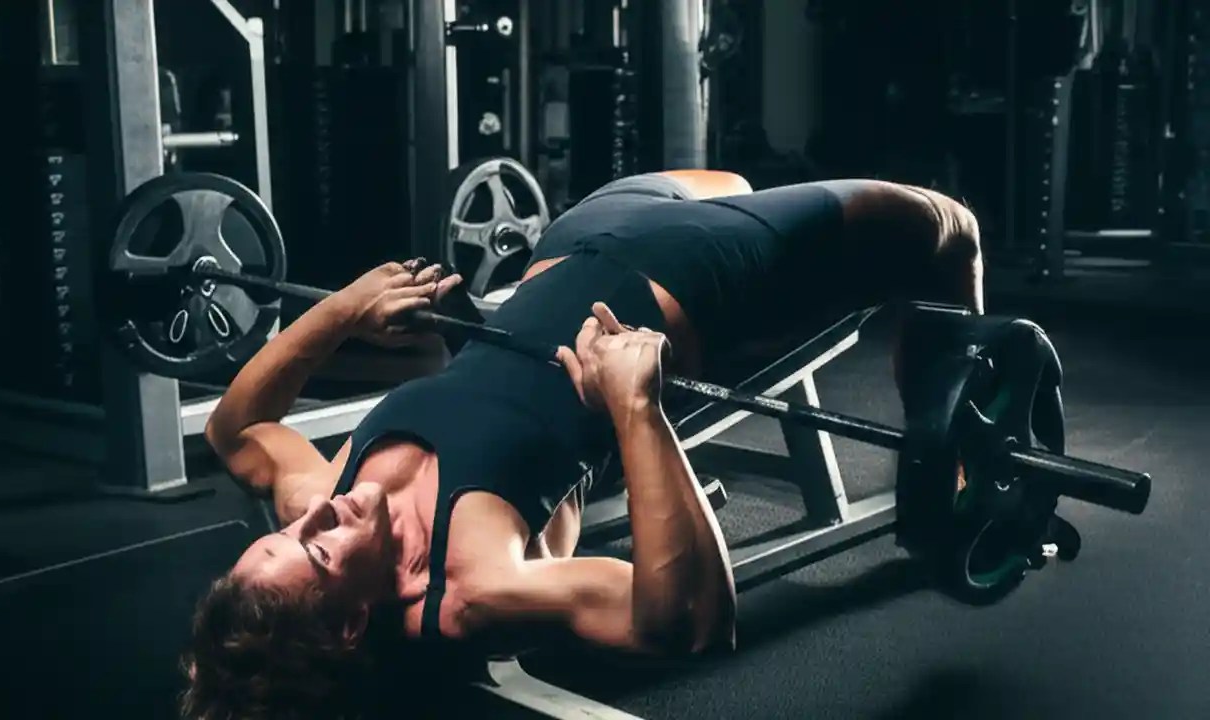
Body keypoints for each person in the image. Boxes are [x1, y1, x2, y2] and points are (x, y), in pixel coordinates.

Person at [180, 171, 985, 718]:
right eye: (314, 552)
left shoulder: (325, 503)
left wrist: (343, 312)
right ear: (353, 626)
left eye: (287, 532)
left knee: (728, 177)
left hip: (570, 244)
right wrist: (637, 411)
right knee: (951, 232)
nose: (311, 518)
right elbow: (693, 622)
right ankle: (953, 477)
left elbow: (235, 430)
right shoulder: (473, 587)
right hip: (694, 266)